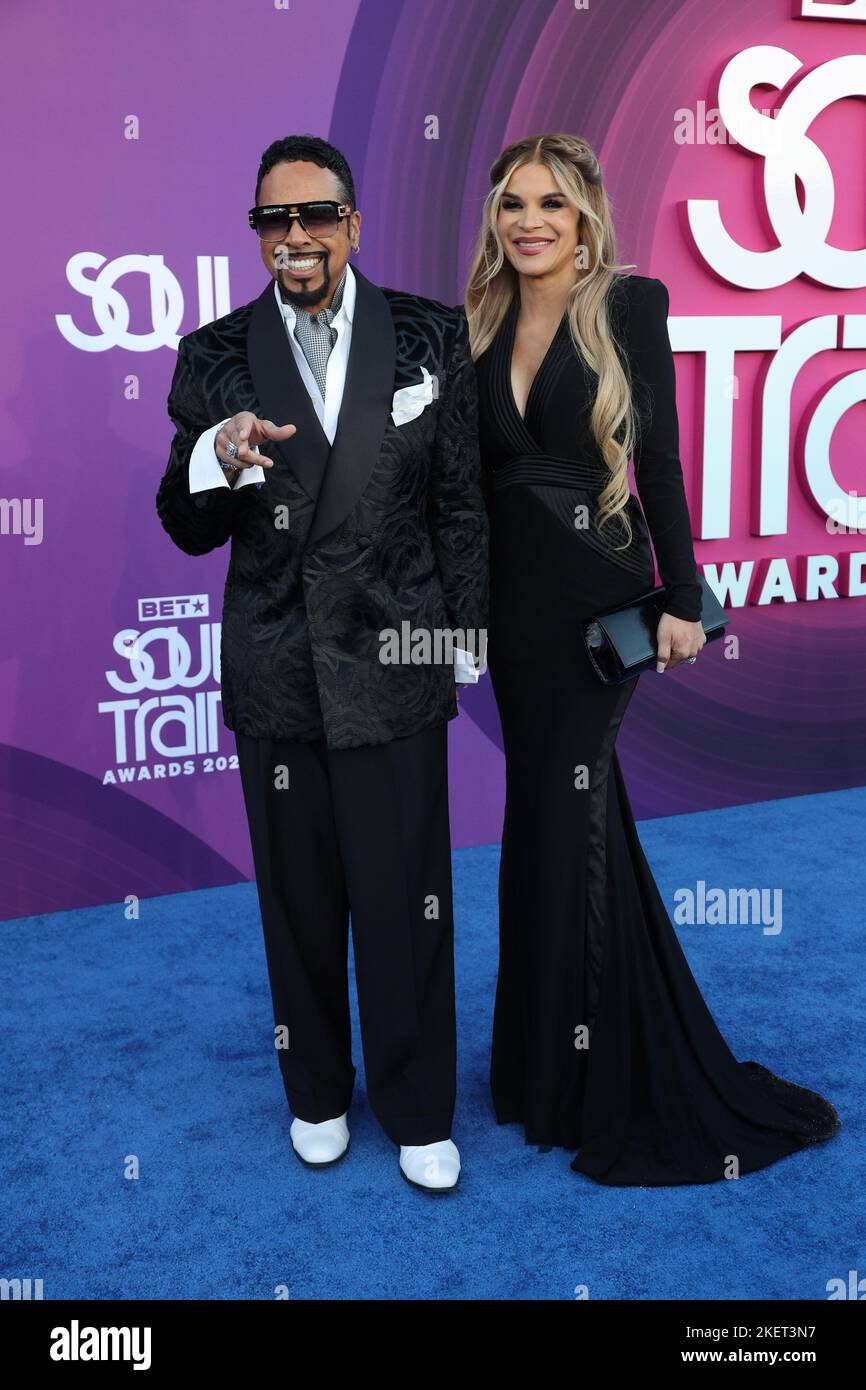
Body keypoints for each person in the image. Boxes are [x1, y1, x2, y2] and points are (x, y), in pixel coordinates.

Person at [466, 132, 840, 1185]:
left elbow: (662, 461)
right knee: (538, 823)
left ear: (584, 214)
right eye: (509, 204)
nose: (526, 221)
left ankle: (602, 1076)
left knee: (569, 821)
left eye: (548, 203)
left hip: (595, 609)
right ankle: (543, 1066)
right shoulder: (480, 319)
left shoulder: (628, 305)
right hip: (512, 619)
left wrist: (686, 598)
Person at [156, 135, 488, 1192]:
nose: (293, 236)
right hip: (280, 666)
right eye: (272, 220)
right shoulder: (211, 355)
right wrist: (217, 457)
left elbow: (459, 505)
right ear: (256, 234)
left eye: (314, 215)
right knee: (299, 901)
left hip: (396, 658)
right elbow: (182, 526)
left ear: (351, 221)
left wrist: (459, 639)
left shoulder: (432, 335)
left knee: (407, 899)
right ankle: (315, 1091)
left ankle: (418, 1104)